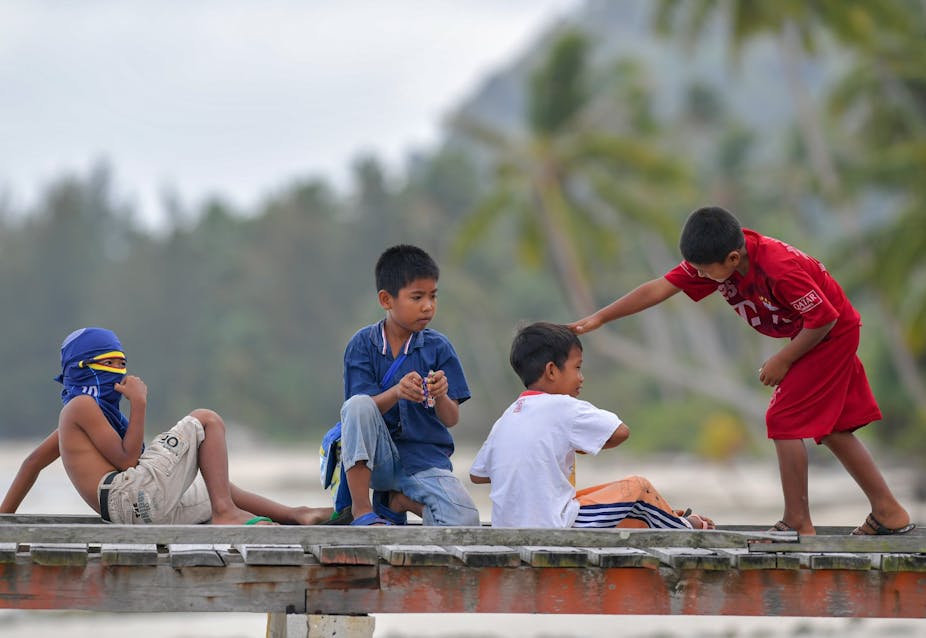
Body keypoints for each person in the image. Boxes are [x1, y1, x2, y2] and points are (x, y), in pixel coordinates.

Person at [570, 205, 915, 536]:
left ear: (733, 259)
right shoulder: (719, 256)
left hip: (829, 334)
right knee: (834, 429)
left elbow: (824, 318)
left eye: (705, 271)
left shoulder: (779, 267)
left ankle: (797, 522)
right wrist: (601, 318)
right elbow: (660, 287)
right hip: (815, 332)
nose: (700, 277)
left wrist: (783, 359)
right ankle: (889, 512)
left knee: (783, 418)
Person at [0, 326, 332, 525]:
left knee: (215, 486)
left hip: (138, 510)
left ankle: (294, 514)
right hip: (129, 498)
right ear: (81, 368)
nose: (118, 370)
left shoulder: (82, 421)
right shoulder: (80, 406)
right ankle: (225, 513)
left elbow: (32, 463)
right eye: (107, 363)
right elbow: (127, 460)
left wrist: (4, 517)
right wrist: (139, 403)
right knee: (206, 419)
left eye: (121, 362)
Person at [469, 322, 714, 530]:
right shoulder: (563, 406)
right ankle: (684, 527)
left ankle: (667, 516)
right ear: (552, 371)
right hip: (553, 526)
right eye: (577, 367)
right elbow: (621, 432)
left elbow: (478, 475)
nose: (581, 377)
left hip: (507, 527)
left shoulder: (508, 415)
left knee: (592, 501)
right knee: (639, 489)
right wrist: (578, 445)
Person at [334, 244, 481, 526]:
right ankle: (362, 511)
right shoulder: (363, 344)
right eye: (417, 297)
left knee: (465, 521)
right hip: (375, 461)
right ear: (386, 300)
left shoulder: (439, 347)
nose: (428, 306)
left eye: (433, 296)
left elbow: (451, 419)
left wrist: (441, 395)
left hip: (424, 461)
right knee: (358, 405)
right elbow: (358, 411)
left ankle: (398, 501)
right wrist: (397, 392)